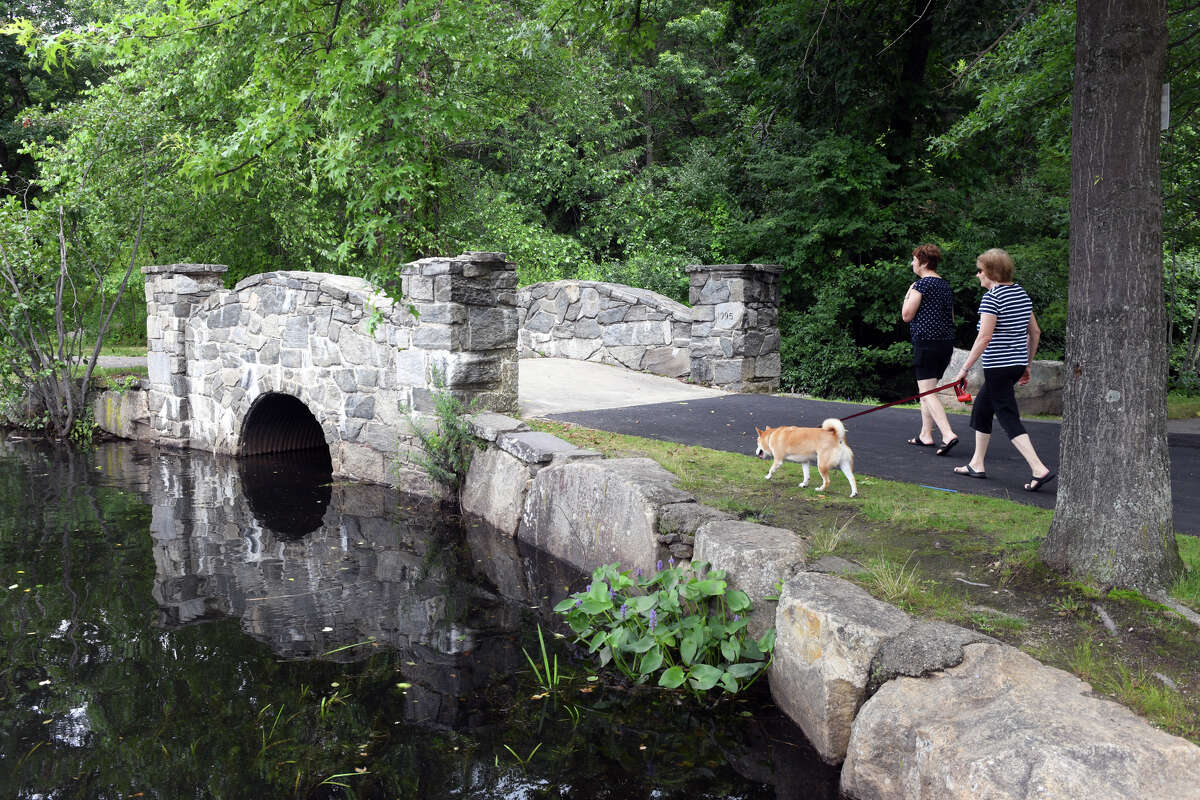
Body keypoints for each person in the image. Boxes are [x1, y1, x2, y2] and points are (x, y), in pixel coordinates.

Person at [951, 248, 1056, 491]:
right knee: (981, 409)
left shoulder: (992, 298)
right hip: (1015, 364)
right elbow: (1035, 332)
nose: (977, 275)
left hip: (998, 366)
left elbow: (984, 336)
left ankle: (1038, 469)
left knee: (1008, 416)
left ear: (991, 273)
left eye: (980, 271)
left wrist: (964, 369)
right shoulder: (1021, 293)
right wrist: (1027, 364)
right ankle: (977, 464)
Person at [901, 243, 958, 456]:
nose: (912, 263)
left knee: (927, 391)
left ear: (923, 263)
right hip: (945, 344)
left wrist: (908, 294)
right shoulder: (945, 286)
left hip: (926, 343)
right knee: (929, 389)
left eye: (915, 259)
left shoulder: (920, 286)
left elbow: (906, 316)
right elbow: (950, 318)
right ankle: (926, 434)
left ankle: (947, 433)